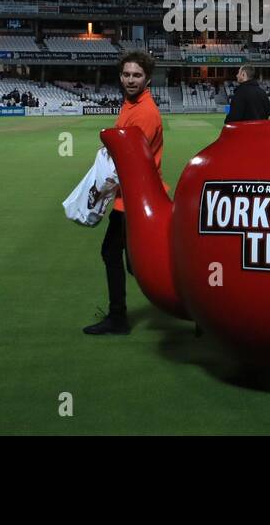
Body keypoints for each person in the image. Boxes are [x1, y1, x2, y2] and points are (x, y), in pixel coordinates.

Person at [84, 51, 165, 335]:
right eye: (127, 75)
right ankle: (195, 306)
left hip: (136, 198)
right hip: (130, 196)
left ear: (147, 79)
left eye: (137, 75)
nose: (131, 80)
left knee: (125, 257)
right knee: (134, 260)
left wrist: (105, 186)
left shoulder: (144, 111)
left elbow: (132, 161)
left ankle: (119, 318)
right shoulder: (130, 104)